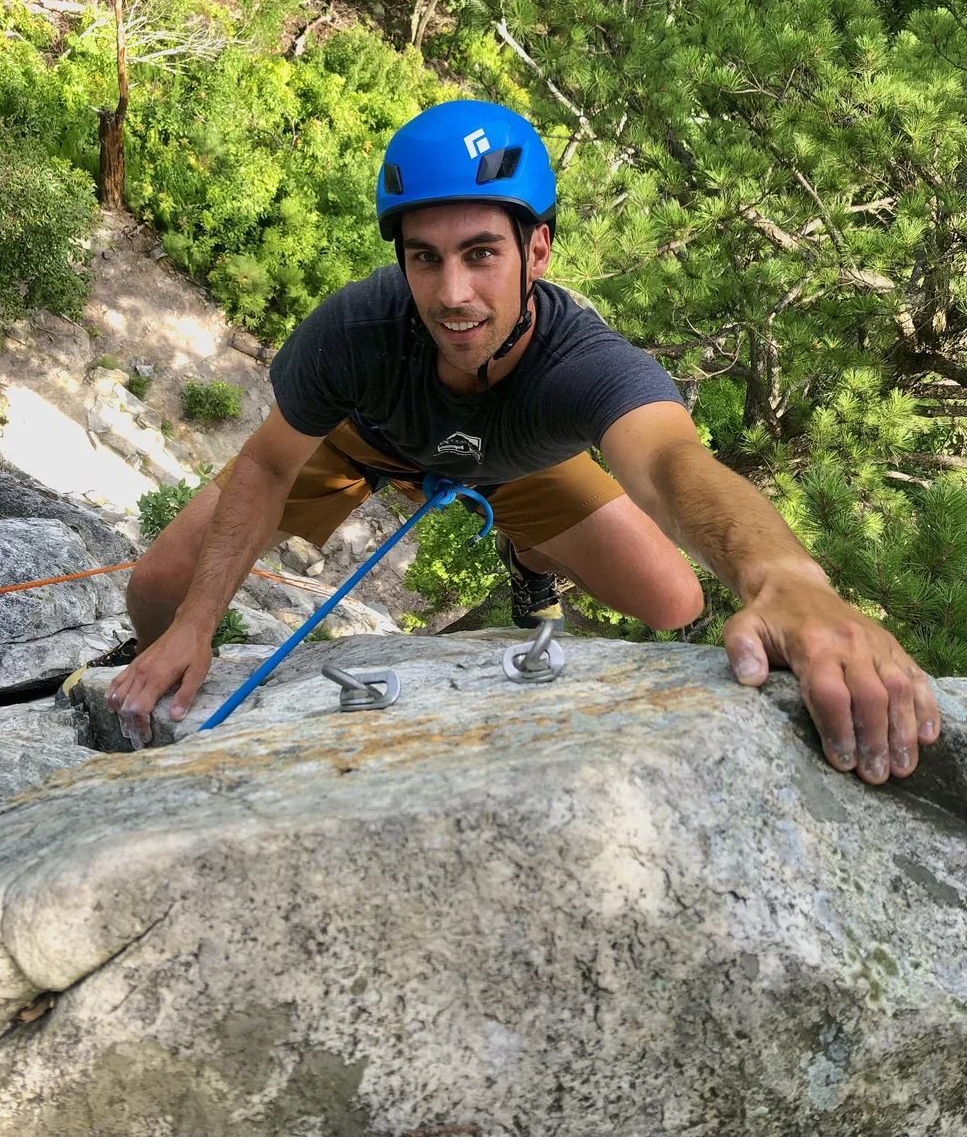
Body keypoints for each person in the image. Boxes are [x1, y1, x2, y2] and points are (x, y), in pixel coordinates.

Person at [106, 99, 940, 782]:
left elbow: (671, 463)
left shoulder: (581, 362)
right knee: (158, 586)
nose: (453, 292)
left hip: (509, 469)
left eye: (481, 254)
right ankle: (158, 678)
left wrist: (787, 578)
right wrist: (194, 626)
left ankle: (527, 551)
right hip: (364, 446)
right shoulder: (357, 327)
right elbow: (266, 463)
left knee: (673, 598)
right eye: (425, 259)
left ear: (535, 249)